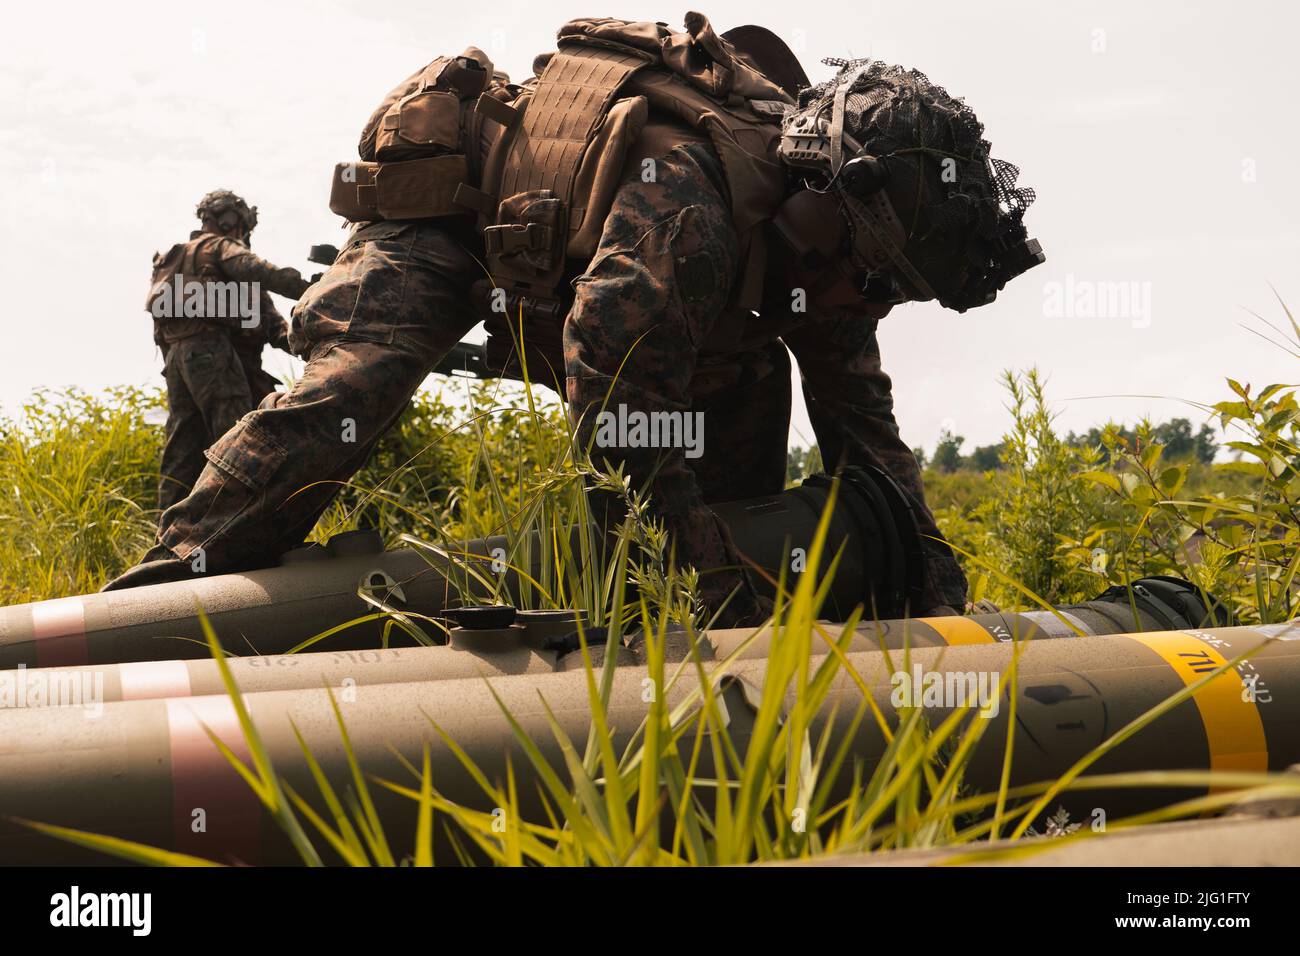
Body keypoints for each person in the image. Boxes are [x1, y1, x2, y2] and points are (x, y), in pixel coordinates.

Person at [108, 15, 1043, 625]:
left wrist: (939, 602)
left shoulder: (835, 257)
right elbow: (616, 393)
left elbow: (866, 442)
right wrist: (702, 591)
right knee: (356, 386)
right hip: (457, 227)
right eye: (875, 279)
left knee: (748, 389)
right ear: (823, 213)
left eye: (896, 290)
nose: (872, 306)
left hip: (605, 295)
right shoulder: (694, 212)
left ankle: (650, 636)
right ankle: (161, 595)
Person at [146, 190, 307, 513]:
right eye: (242, 229)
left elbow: (269, 323)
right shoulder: (219, 248)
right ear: (232, 223)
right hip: (211, 356)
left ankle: (167, 537)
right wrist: (313, 288)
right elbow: (262, 273)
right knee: (238, 440)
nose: (243, 237)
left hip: (177, 363)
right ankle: (236, 523)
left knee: (181, 452)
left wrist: (305, 342)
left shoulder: (173, 261)